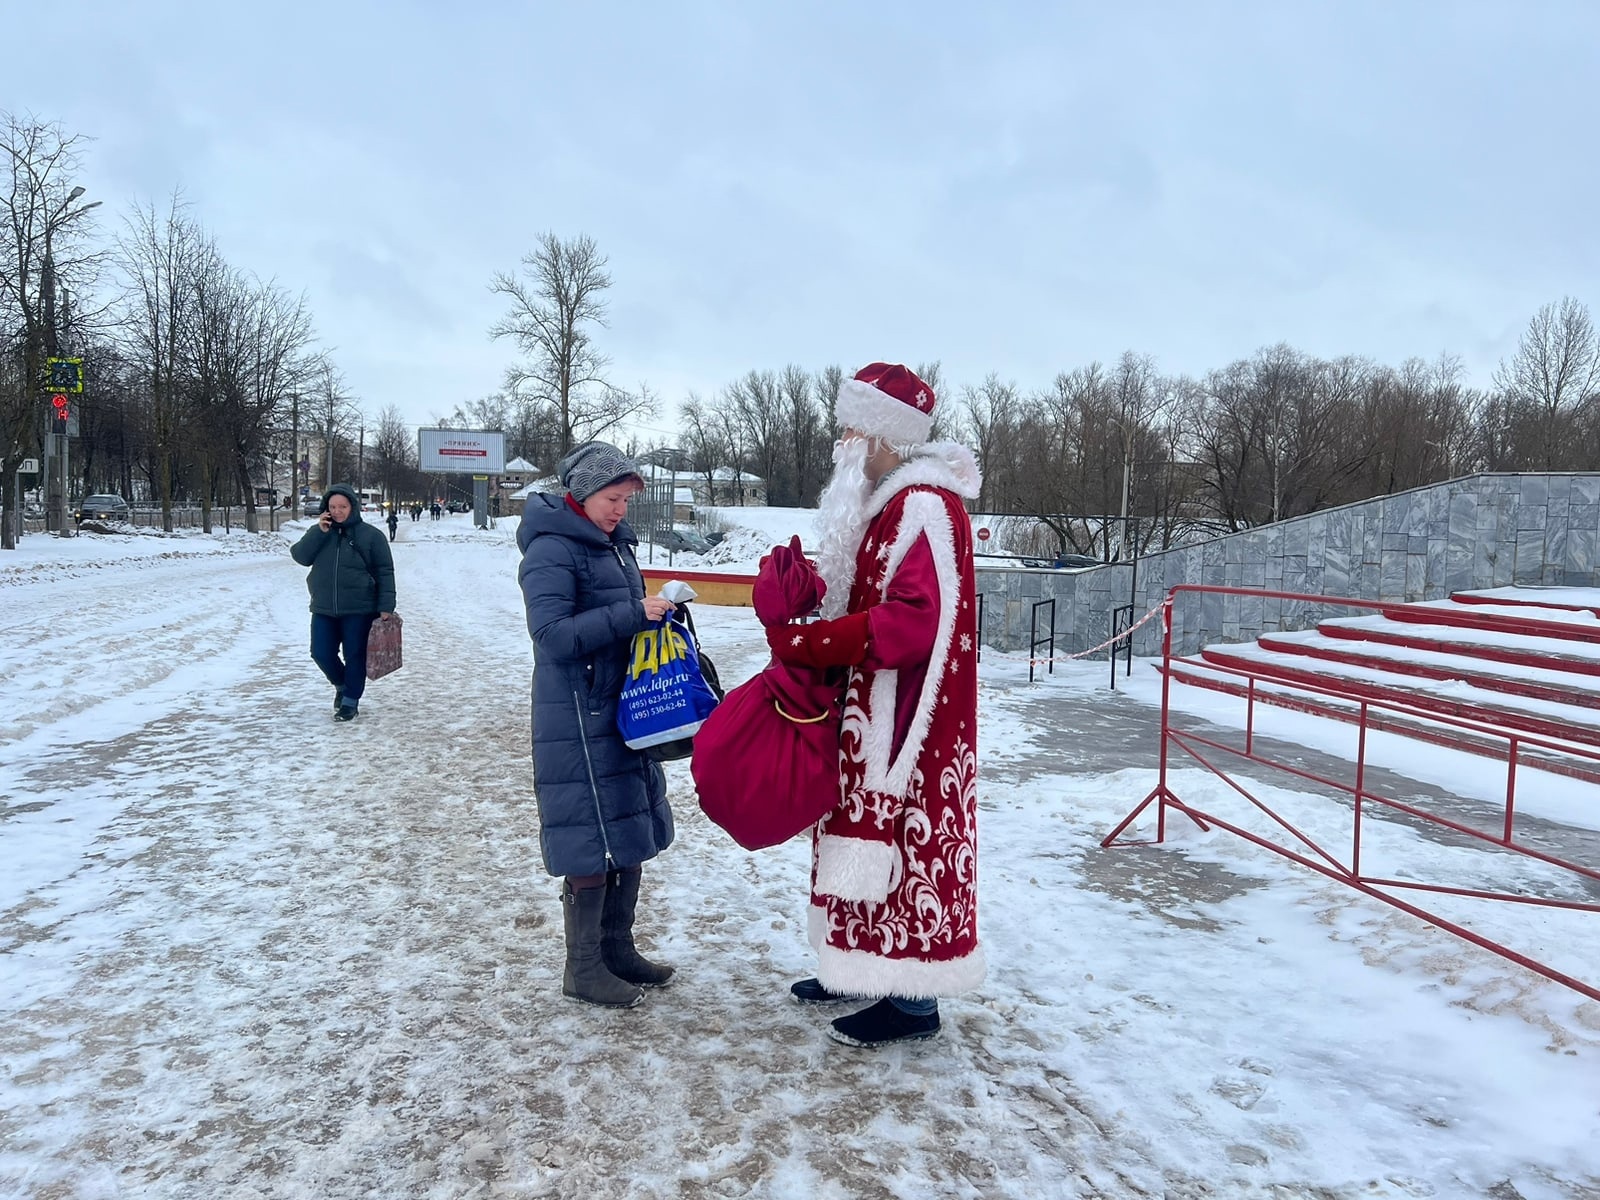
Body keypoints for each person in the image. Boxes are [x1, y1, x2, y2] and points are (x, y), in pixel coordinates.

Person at [764, 362, 985, 1048]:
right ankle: (855, 965)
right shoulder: (888, 502)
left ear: (880, 432)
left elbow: (912, 622)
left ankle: (912, 1002)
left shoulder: (922, 506)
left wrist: (813, 643)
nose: (840, 440)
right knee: (860, 838)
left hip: (911, 724)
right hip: (875, 710)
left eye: (848, 426)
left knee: (905, 849)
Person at [516, 441, 679, 1008]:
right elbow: (553, 635)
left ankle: (617, 951)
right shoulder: (551, 549)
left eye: (626, 501)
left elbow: (615, 619)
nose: (619, 510)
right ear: (582, 494)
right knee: (590, 837)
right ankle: (582, 969)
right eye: (612, 499)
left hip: (618, 708)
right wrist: (635, 613)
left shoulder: (613, 546)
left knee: (626, 829)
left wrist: (657, 615)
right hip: (577, 714)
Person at [289, 484, 397, 722]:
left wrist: (386, 606)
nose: (337, 512)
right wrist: (319, 532)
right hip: (324, 607)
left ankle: (350, 701)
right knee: (320, 653)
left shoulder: (371, 536)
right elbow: (300, 556)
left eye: (343, 507)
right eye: (332, 507)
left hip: (359, 608)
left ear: (353, 507)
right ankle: (340, 684)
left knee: (354, 655)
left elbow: (385, 571)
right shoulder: (319, 532)